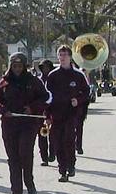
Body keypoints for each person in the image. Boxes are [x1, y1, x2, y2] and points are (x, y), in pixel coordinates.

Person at [0, 52, 49, 194]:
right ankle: (16, 193)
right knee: (13, 158)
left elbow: (45, 97)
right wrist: (3, 110)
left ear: (25, 66)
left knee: (25, 153)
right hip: (9, 124)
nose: (17, 69)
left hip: (28, 124)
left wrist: (32, 107)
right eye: (14, 66)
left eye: (20, 66)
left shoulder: (33, 81)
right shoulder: (3, 83)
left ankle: (29, 182)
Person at [45, 45, 89, 182]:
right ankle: (62, 170)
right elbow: (47, 97)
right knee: (57, 142)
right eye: (60, 55)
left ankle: (71, 165)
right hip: (56, 114)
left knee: (68, 140)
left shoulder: (78, 75)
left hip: (72, 113)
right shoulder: (52, 76)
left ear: (70, 57)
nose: (62, 58)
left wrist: (79, 100)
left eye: (65, 55)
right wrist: (47, 116)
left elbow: (87, 92)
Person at [36, 60, 56, 166]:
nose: (45, 69)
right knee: (42, 135)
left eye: (47, 67)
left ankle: (52, 153)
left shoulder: (54, 80)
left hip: (53, 111)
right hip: (40, 112)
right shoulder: (38, 81)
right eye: (43, 67)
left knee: (53, 135)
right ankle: (44, 157)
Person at [75, 67, 90, 155]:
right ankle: (73, 145)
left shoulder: (82, 79)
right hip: (70, 108)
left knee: (79, 128)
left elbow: (86, 95)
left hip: (81, 108)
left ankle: (79, 146)